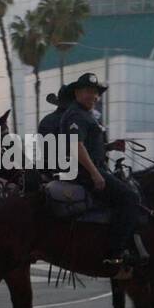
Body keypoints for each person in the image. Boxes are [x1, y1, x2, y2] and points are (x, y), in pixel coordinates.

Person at [61, 73, 141, 268]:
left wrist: (110, 147)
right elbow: (76, 146)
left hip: (93, 167)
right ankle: (115, 252)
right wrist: (95, 174)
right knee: (130, 198)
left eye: (96, 93)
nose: (93, 97)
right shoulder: (75, 114)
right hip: (83, 172)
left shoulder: (86, 115)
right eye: (88, 91)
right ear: (78, 93)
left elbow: (89, 147)